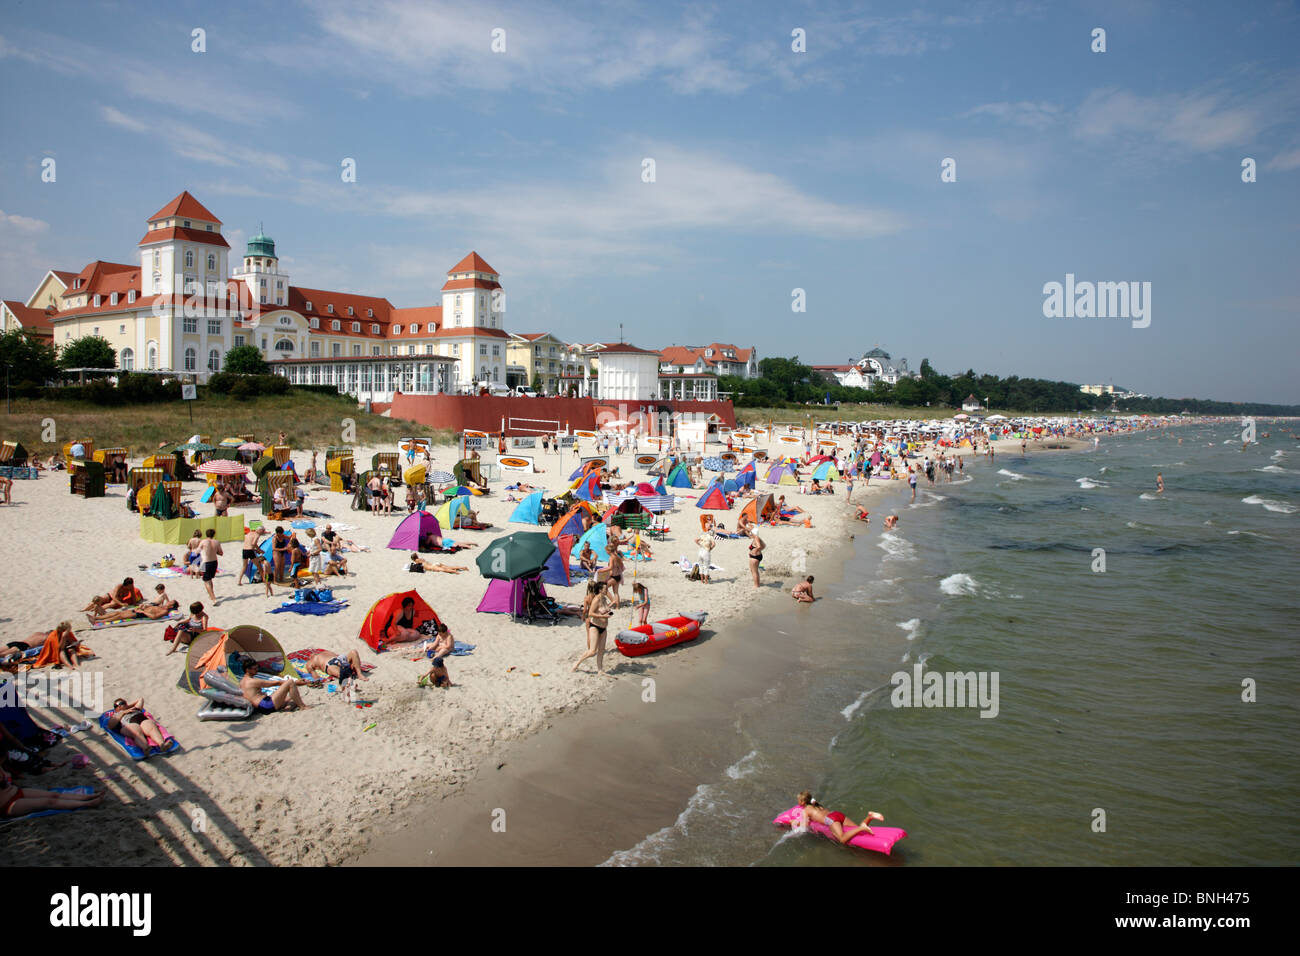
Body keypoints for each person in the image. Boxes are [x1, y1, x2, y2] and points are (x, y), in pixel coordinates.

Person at [1, 755, 105, 817]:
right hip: (8, 804)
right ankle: (87, 804)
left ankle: (86, 797)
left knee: (54, 794)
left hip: (17, 792)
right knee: (49, 802)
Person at [794, 790, 884, 844]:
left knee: (842, 839)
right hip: (837, 814)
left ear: (802, 802)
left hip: (831, 820)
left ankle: (862, 828)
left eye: (798, 800)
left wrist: (794, 823)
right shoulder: (817, 805)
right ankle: (870, 816)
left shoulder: (805, 810)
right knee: (854, 828)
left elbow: (804, 827)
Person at [572, 579, 615, 674]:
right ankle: (577, 663)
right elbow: (590, 613)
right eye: (605, 589)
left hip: (603, 628)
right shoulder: (596, 599)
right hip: (595, 626)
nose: (607, 590)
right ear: (600, 590)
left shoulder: (604, 599)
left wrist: (608, 612)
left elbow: (603, 609)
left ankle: (600, 670)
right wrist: (602, 616)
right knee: (592, 651)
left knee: (601, 651)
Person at [239, 656, 309, 713]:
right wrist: (297, 682)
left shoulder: (242, 681)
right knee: (290, 682)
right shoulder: (253, 681)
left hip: (260, 707)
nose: (257, 670)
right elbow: (276, 683)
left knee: (290, 698)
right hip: (266, 705)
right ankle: (302, 706)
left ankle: (287, 709)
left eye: (257, 668)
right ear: (247, 670)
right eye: (255, 669)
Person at [105, 698, 171, 753]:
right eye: (121, 704)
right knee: (135, 730)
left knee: (151, 726)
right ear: (116, 708)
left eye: (124, 702)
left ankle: (162, 745)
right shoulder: (116, 715)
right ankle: (146, 748)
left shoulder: (135, 708)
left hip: (142, 721)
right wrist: (123, 712)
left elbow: (140, 699)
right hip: (129, 724)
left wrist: (128, 707)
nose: (124, 704)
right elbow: (110, 726)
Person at [302, 649, 366, 684]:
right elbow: (312, 672)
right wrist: (316, 679)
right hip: (329, 664)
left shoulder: (325, 652)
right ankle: (348, 681)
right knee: (340, 674)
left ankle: (359, 674)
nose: (312, 653)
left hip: (340, 660)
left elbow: (337, 655)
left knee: (353, 652)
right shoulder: (311, 661)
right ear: (309, 657)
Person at [198, 528, 223, 604]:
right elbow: (221, 553)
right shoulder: (216, 542)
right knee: (210, 579)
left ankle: (213, 598)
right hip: (214, 562)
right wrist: (214, 551)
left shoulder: (203, 542)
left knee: (206, 581)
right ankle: (211, 595)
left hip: (205, 562)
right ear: (214, 534)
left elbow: (197, 551)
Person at [604, 542, 625, 607]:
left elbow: (610, 568)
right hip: (618, 576)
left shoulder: (611, 558)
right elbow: (622, 566)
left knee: (604, 588)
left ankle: (613, 601)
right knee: (616, 592)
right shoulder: (617, 557)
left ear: (608, 551)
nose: (606, 552)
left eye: (606, 551)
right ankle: (617, 607)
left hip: (614, 576)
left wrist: (601, 570)